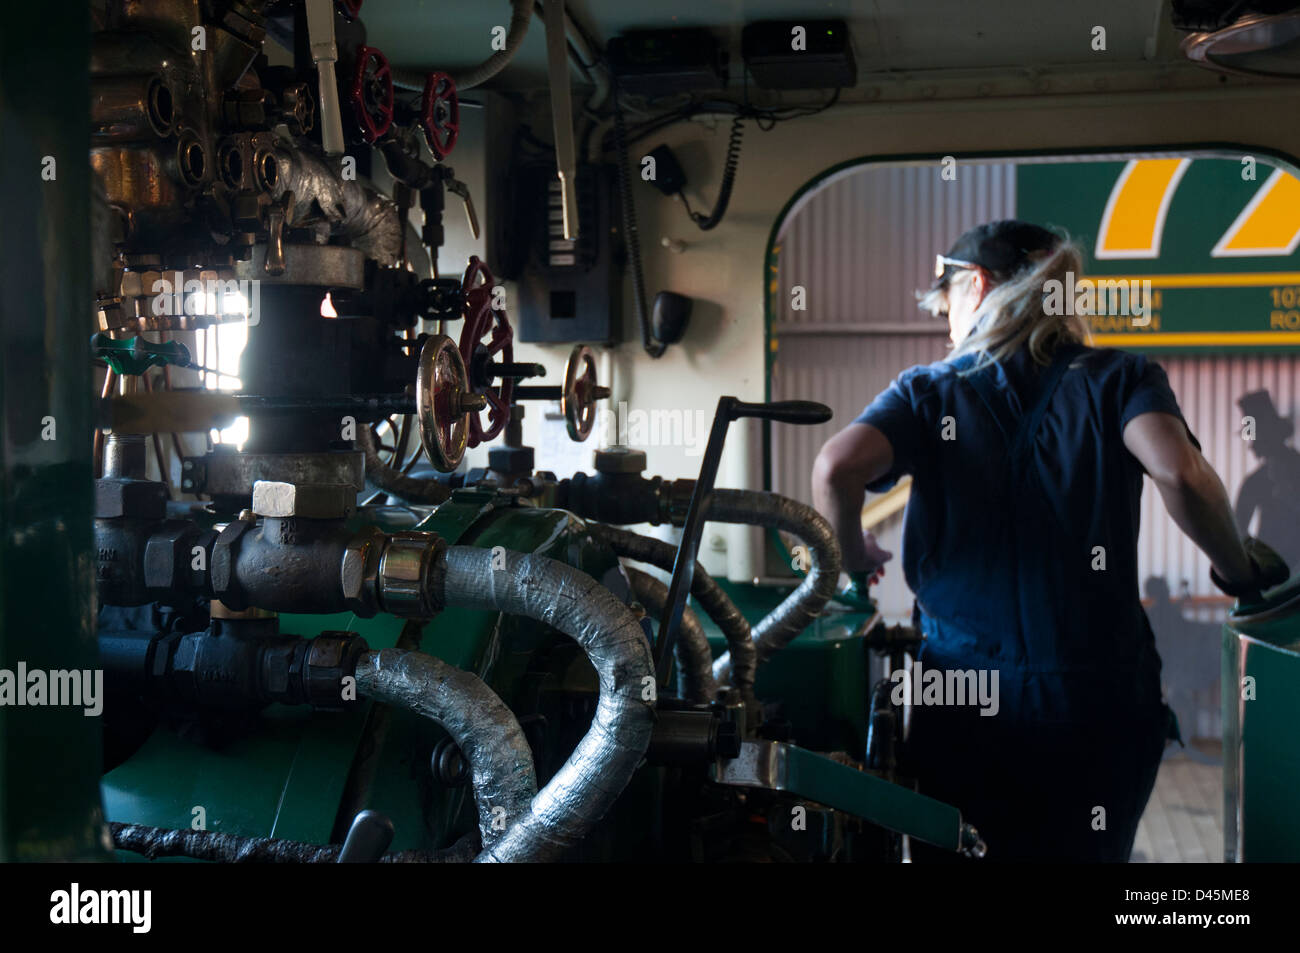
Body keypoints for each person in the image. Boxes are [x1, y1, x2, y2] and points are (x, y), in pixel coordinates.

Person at [811, 220, 1289, 862]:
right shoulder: (1119, 378)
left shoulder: (930, 391)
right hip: (1098, 701)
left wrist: (852, 559)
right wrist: (1237, 571)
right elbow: (1182, 474)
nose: (946, 323)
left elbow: (834, 468)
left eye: (945, 302)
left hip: (964, 699)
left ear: (974, 285)